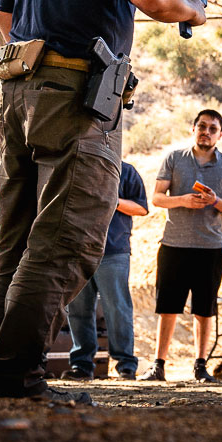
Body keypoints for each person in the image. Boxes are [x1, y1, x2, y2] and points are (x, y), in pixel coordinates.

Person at [0, 0, 206, 400]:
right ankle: (14, 372)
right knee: (70, 236)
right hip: (77, 98)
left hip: (18, 92)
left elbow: (6, 22)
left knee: (18, 237)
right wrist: (193, 8)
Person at [147, 109, 222, 382]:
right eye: (202, 126)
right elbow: (156, 198)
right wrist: (182, 200)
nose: (207, 132)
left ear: (220, 135)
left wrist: (215, 201)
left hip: (210, 248)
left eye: (213, 128)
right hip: (173, 244)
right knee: (168, 307)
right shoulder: (174, 158)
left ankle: (200, 366)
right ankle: (158, 366)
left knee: (204, 309)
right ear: (193, 129)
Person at [63, 159, 148, 380]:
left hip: (114, 251)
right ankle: (81, 365)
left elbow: (141, 208)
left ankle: (126, 365)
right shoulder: (78, 166)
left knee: (117, 309)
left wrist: (113, 200)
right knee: (78, 310)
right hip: (78, 250)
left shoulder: (127, 171)